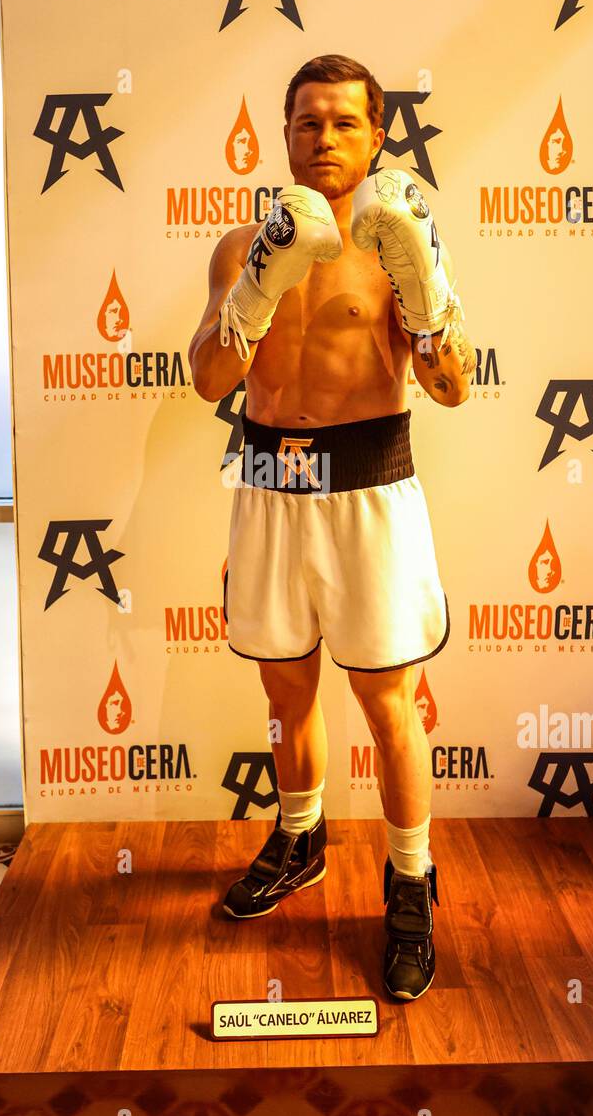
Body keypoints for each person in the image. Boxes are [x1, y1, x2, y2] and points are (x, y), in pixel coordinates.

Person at [188, 54, 475, 1001]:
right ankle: (301, 837)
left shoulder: (396, 243)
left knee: (389, 703)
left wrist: (427, 300)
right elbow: (209, 381)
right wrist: (257, 288)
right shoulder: (243, 245)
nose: (325, 139)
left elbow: (453, 386)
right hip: (270, 481)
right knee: (286, 691)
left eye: (345, 123)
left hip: (368, 486)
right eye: (308, 122)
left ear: (376, 136)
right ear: (284, 132)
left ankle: (407, 880)